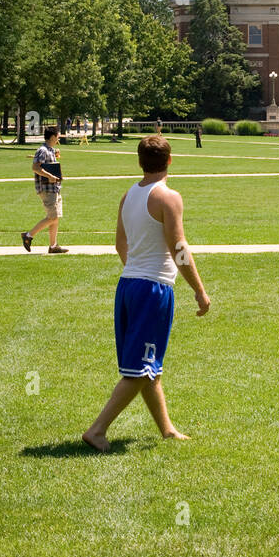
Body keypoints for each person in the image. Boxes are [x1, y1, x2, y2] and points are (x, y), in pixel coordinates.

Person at [82, 134, 210, 453]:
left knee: (147, 365)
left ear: (140, 162)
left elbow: (119, 245)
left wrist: (137, 271)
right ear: (169, 161)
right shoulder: (168, 197)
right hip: (153, 290)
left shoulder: (128, 197)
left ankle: (166, 430)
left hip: (127, 286)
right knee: (140, 369)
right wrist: (199, 290)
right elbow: (179, 248)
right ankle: (97, 430)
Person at [22, 126, 68, 253]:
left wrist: (55, 155)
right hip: (47, 189)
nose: (58, 139)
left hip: (54, 188)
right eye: (57, 136)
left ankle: (53, 246)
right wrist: (50, 176)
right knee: (52, 217)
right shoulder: (42, 150)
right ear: (53, 137)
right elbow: (35, 167)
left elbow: (46, 165)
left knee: (55, 217)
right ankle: (28, 235)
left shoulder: (49, 150)